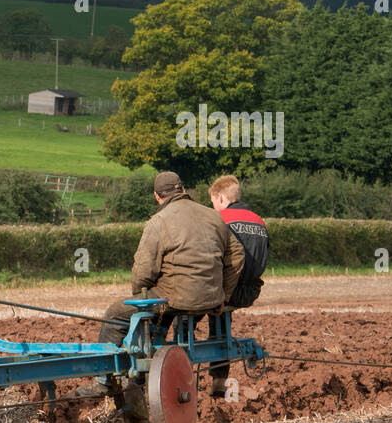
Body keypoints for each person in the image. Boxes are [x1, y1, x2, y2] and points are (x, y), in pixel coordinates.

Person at [78, 171, 243, 399]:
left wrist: (141, 294)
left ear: (157, 196)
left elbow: (143, 270)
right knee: (161, 309)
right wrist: (223, 294)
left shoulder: (159, 222)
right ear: (183, 190)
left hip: (173, 299)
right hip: (211, 300)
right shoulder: (213, 216)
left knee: (116, 313)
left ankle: (103, 382)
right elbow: (237, 255)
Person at [206, 174, 270, 398]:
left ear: (221, 198)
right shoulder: (259, 221)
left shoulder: (221, 219)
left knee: (186, 310)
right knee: (221, 318)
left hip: (226, 293)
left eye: (213, 203)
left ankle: (183, 363)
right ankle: (219, 382)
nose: (213, 208)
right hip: (250, 292)